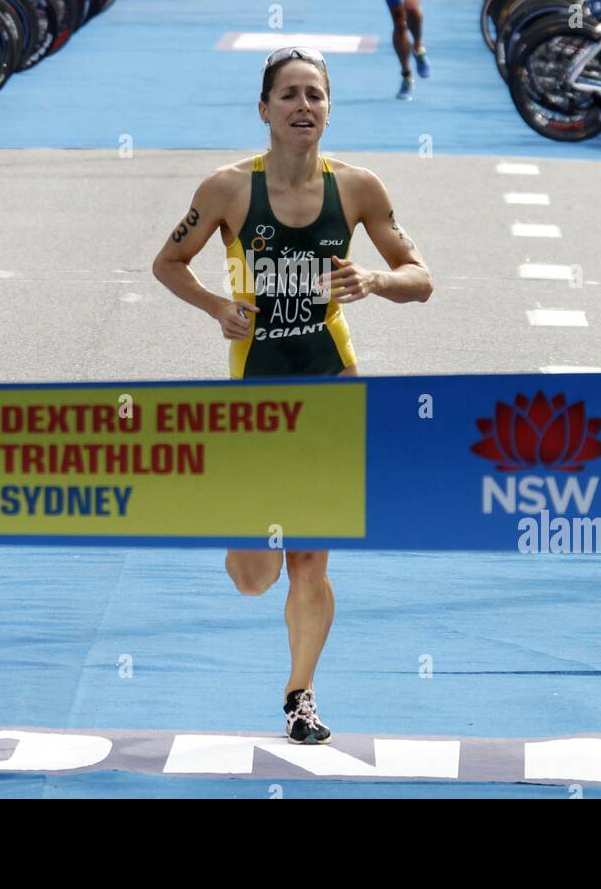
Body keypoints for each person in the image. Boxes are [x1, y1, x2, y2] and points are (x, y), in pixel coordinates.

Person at [150, 46, 433, 745]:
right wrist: (217, 306)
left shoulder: (359, 188)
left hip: (332, 391)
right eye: (290, 95)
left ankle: (300, 694)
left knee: (311, 558)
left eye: (316, 95)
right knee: (253, 577)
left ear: (329, 108)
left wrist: (376, 281)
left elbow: (420, 275)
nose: (304, 106)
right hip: (253, 397)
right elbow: (167, 263)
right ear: (265, 110)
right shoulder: (226, 190)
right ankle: (240, 524)